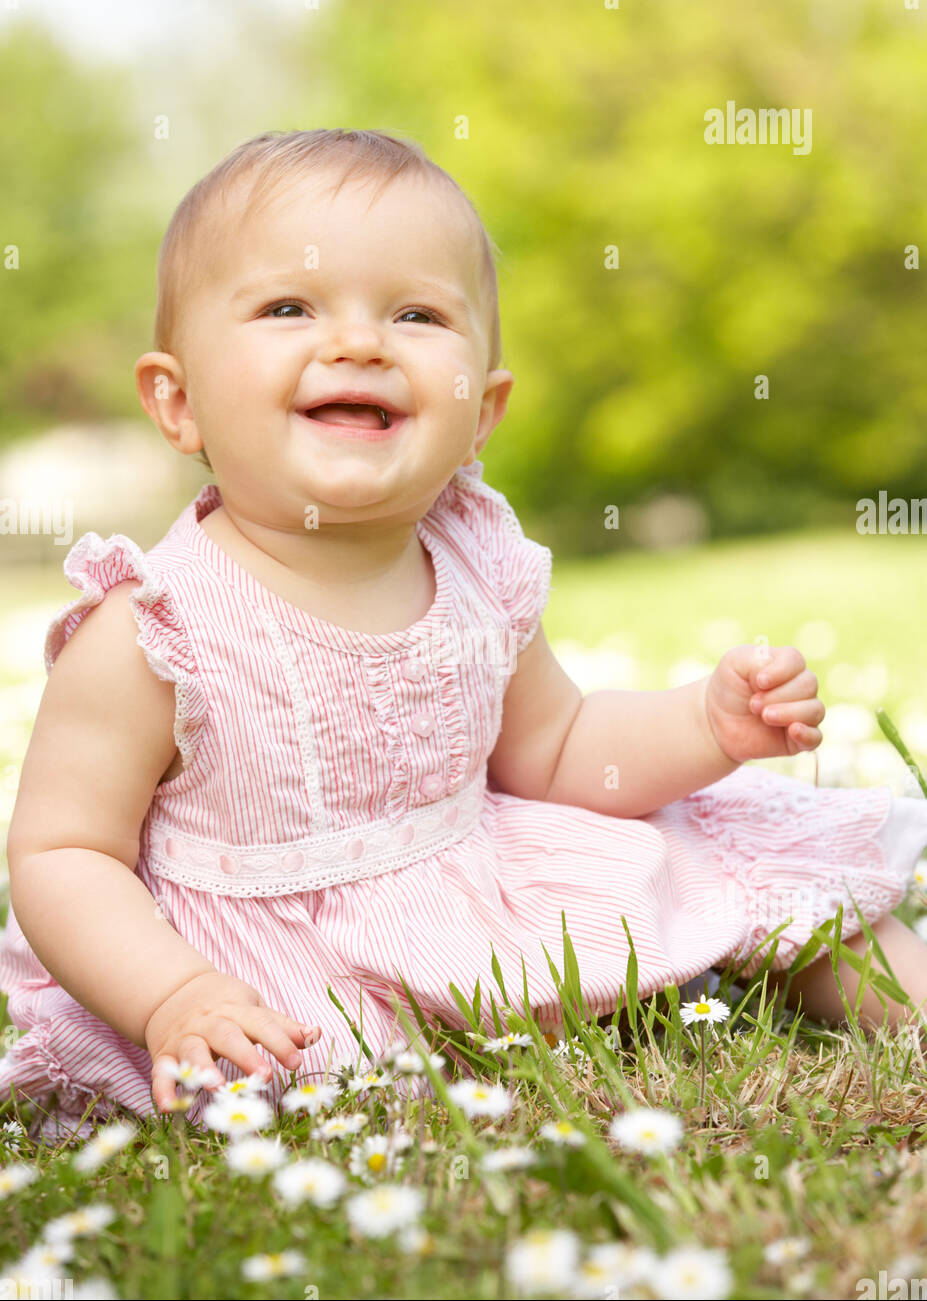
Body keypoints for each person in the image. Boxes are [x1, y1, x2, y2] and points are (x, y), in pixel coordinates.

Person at [3, 128, 927, 1145]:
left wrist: (705, 728)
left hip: (477, 884)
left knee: (742, 860)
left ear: (480, 413)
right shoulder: (154, 629)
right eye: (287, 308)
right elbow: (63, 850)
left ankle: (900, 1000)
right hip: (268, 977)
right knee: (277, 1087)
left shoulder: (475, 565)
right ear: (176, 402)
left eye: (416, 314)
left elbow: (559, 749)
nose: (358, 342)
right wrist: (171, 994)